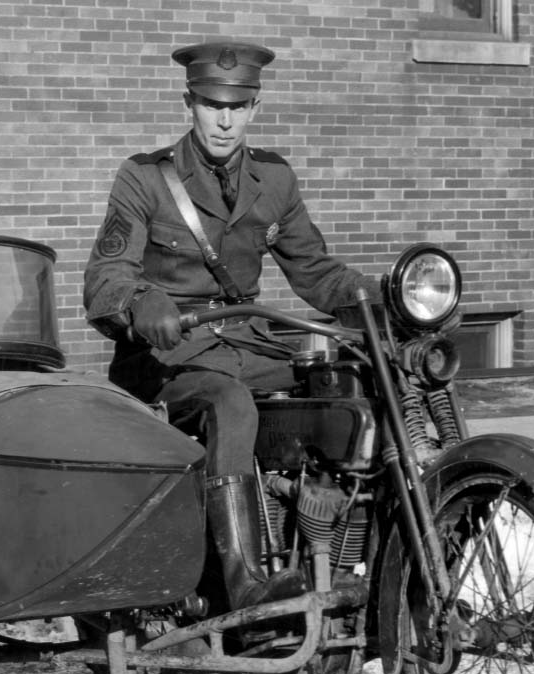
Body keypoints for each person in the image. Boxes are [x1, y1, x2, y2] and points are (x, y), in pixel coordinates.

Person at [83, 41, 382, 610]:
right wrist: (141, 301)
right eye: (211, 105)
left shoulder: (274, 180)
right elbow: (104, 280)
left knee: (348, 394)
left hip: (250, 344)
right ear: (189, 103)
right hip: (171, 358)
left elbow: (315, 272)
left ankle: (337, 556)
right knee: (230, 403)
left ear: (255, 109)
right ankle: (245, 579)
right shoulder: (144, 178)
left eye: (238, 107)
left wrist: (384, 298)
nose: (224, 120)